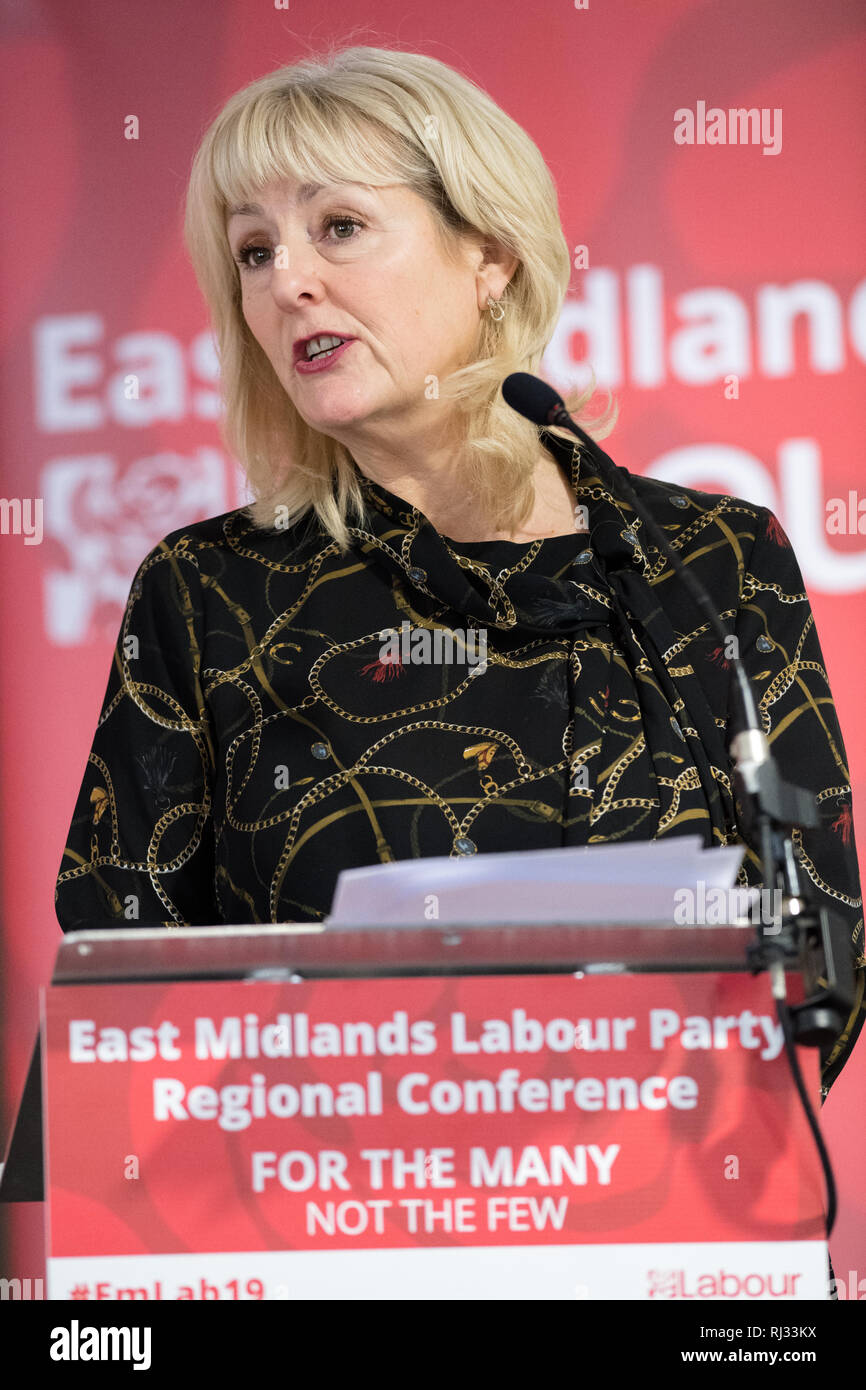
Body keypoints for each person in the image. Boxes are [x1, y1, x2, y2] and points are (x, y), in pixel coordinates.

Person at [54, 45, 863, 1101]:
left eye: (337, 226)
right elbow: (117, 993)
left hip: (655, 1219)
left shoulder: (710, 562)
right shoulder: (209, 592)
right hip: (325, 1221)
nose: (288, 280)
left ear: (491, 256)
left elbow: (821, 941)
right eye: (252, 251)